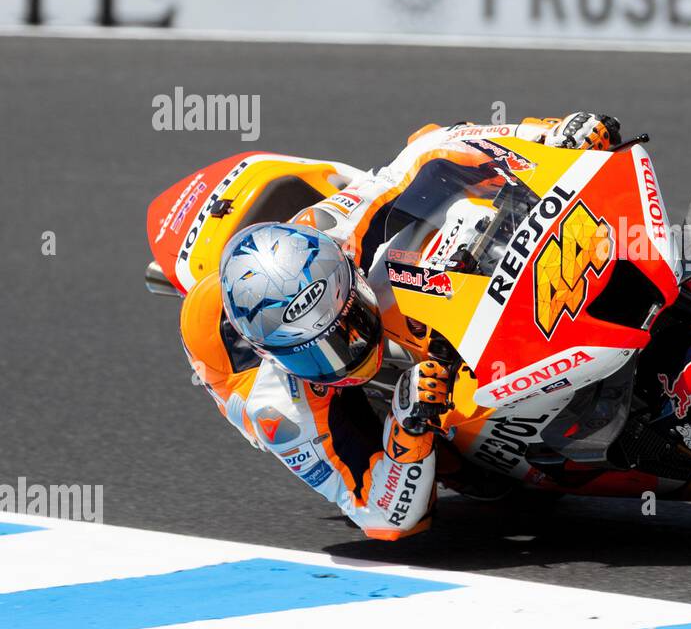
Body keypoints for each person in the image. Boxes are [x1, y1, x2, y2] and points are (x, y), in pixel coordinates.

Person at [179, 113, 620, 540]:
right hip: (277, 383)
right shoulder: (277, 406)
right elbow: (382, 516)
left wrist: (548, 136)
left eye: (349, 321)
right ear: (273, 356)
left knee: (452, 207)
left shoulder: (336, 231)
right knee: (480, 478)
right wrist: (408, 428)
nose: (349, 348)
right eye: (320, 351)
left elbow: (427, 148)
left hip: (322, 266)